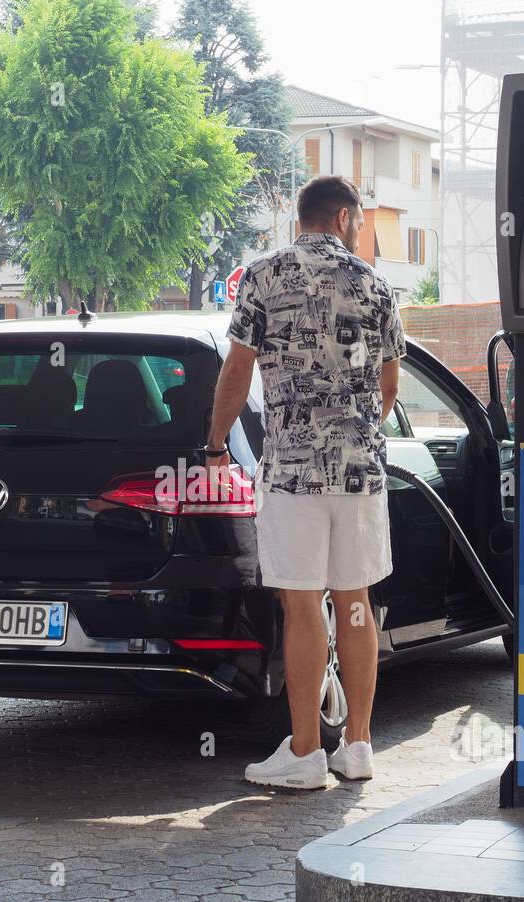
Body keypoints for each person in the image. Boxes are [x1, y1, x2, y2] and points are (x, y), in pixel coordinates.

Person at [203, 175, 405, 789]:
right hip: (360, 471)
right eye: (360, 218)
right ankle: (361, 746)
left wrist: (216, 445)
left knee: (301, 605)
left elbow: (237, 371)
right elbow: (390, 383)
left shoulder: (262, 276)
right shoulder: (374, 283)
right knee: (357, 602)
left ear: (305, 217)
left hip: (293, 472)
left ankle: (306, 752)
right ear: (343, 216)